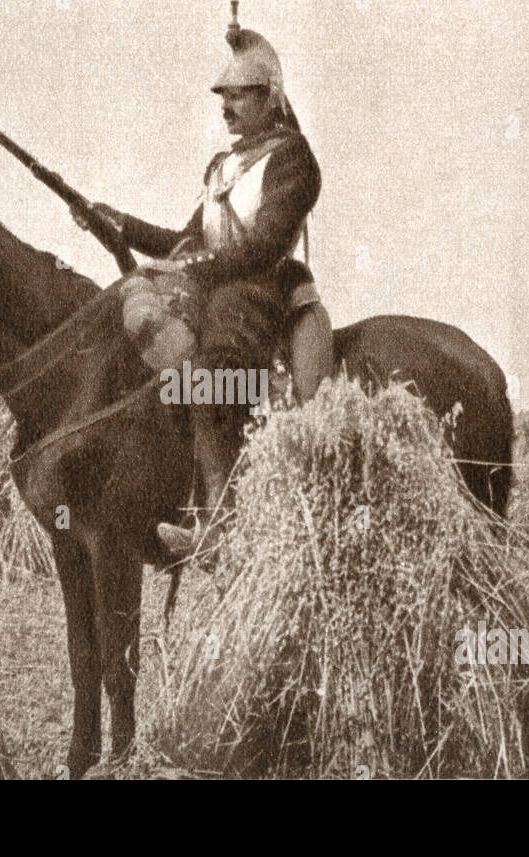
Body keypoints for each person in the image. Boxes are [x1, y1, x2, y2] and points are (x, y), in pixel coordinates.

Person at [74, 23, 332, 558]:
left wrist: (192, 269)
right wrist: (118, 223)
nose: (226, 105)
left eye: (239, 94)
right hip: (217, 286)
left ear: (270, 97)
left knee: (210, 375)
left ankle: (220, 522)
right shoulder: (223, 167)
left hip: (260, 291)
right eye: (223, 95)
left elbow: (263, 247)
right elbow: (186, 240)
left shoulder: (293, 160)